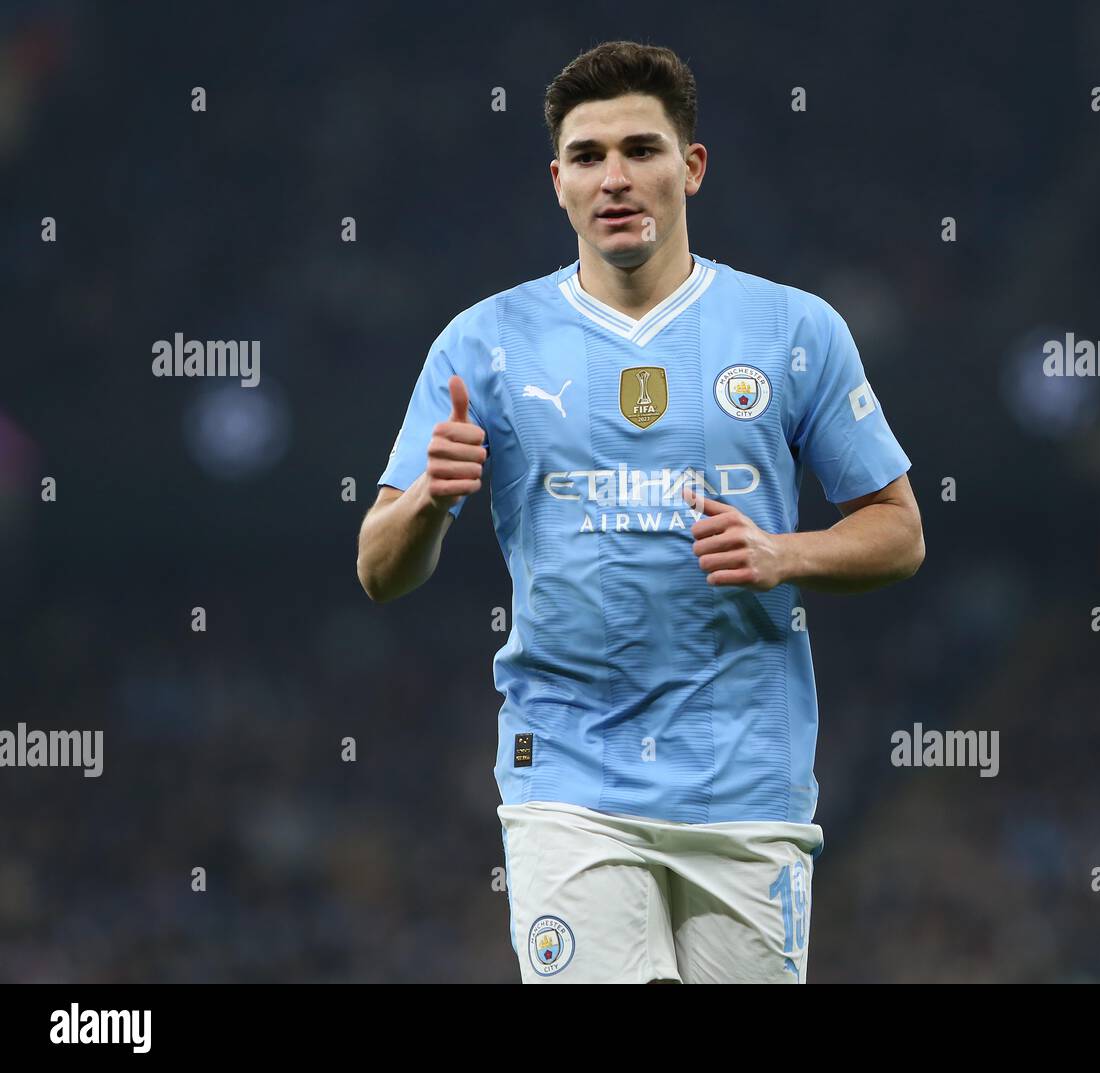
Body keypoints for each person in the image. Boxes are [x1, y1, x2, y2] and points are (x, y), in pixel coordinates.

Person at [356, 40, 924, 983]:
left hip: (746, 776)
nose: (614, 177)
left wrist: (785, 553)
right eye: (587, 157)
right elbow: (381, 569)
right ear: (558, 183)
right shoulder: (485, 343)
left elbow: (899, 529)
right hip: (568, 773)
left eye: (641, 150)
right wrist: (427, 497)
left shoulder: (793, 330)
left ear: (690, 167)